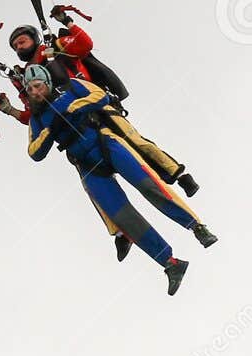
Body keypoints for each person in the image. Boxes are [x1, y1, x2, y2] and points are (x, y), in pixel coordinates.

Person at [16, 63, 216, 296]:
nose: (36, 93)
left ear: (47, 83)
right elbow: (34, 152)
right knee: (121, 215)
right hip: (86, 165)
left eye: (38, 86)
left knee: (149, 186)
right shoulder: (38, 120)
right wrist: (50, 131)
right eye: (30, 90)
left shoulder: (71, 88)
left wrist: (73, 107)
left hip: (107, 143)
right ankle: (170, 263)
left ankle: (197, 227)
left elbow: (100, 96)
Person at [6, 18, 200, 200]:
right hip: (75, 125)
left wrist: (67, 21)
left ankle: (180, 176)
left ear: (34, 39)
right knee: (93, 173)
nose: (19, 47)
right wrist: (10, 110)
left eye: (21, 42)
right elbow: (35, 115)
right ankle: (121, 227)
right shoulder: (28, 80)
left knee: (134, 141)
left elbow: (84, 45)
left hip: (96, 104)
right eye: (15, 47)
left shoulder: (56, 47)